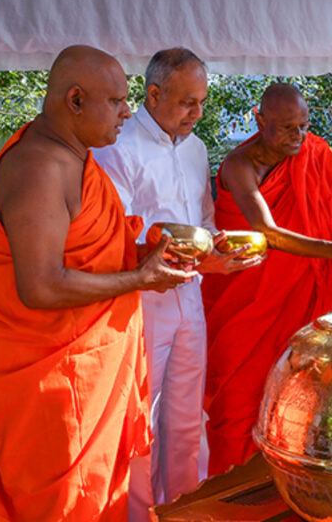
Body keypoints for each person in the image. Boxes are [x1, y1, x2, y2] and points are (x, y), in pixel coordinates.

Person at [0, 45, 192, 520]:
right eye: (115, 101)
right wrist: (140, 277)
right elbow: (42, 287)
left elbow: (83, 252)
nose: (126, 112)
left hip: (82, 372)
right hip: (51, 387)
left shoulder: (75, 159)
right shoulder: (41, 168)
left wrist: (144, 256)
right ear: (75, 100)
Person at [93, 48, 258, 519]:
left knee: (187, 419)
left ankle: (185, 510)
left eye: (202, 102)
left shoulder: (196, 148)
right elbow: (119, 233)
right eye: (188, 102)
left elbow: (202, 219)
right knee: (142, 417)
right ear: (154, 94)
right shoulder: (117, 146)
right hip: (143, 300)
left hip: (191, 296)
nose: (197, 113)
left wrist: (218, 251)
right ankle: (140, 513)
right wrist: (190, 258)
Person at [201, 83, 332, 476]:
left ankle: (293, 495)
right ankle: (233, 504)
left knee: (300, 401)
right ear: (260, 119)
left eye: (303, 125)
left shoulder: (312, 154)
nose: (298, 136)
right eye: (286, 128)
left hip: (300, 299)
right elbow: (268, 232)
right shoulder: (239, 165)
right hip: (245, 305)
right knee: (236, 402)